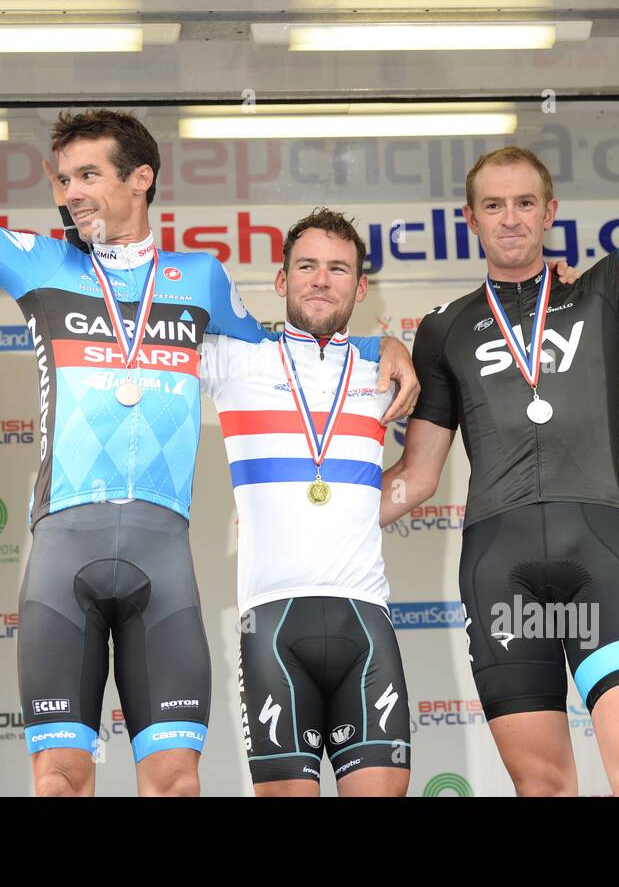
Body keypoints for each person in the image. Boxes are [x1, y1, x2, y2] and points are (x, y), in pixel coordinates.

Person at [0, 0, 419, 797]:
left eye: (86, 176)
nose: (70, 193)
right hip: (62, 556)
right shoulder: (38, 263)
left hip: (164, 558)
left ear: (140, 177)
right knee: (61, 778)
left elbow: (291, 348)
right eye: (62, 180)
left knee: (177, 781)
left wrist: (387, 342)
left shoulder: (200, 278)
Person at [379, 0, 619, 796]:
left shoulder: (603, 291)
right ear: (471, 220)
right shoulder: (443, 328)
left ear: (551, 211)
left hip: (599, 556)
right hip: (498, 564)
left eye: (526, 203)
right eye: (494, 206)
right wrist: (304, 507)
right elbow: (417, 476)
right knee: (545, 785)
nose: (511, 218)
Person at [200, 208, 411, 796]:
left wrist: (389, 341)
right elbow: (149, 335)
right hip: (272, 623)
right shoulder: (236, 359)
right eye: (307, 266)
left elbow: (419, 475)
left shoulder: (385, 369)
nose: (321, 280)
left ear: (361, 287)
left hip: (365, 618)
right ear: (282, 279)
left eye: (338, 269)